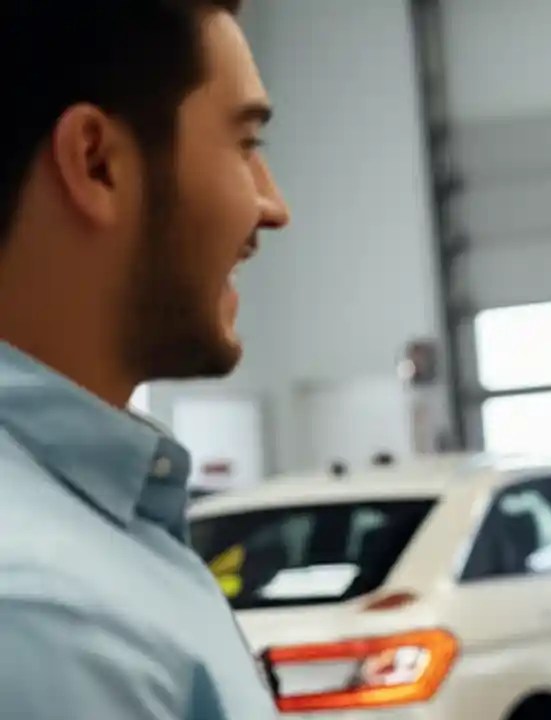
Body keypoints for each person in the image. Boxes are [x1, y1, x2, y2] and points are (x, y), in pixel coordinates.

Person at [0, 1, 289, 718]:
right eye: (244, 142)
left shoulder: (93, 540)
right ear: (96, 163)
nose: (272, 204)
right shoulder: (52, 621)